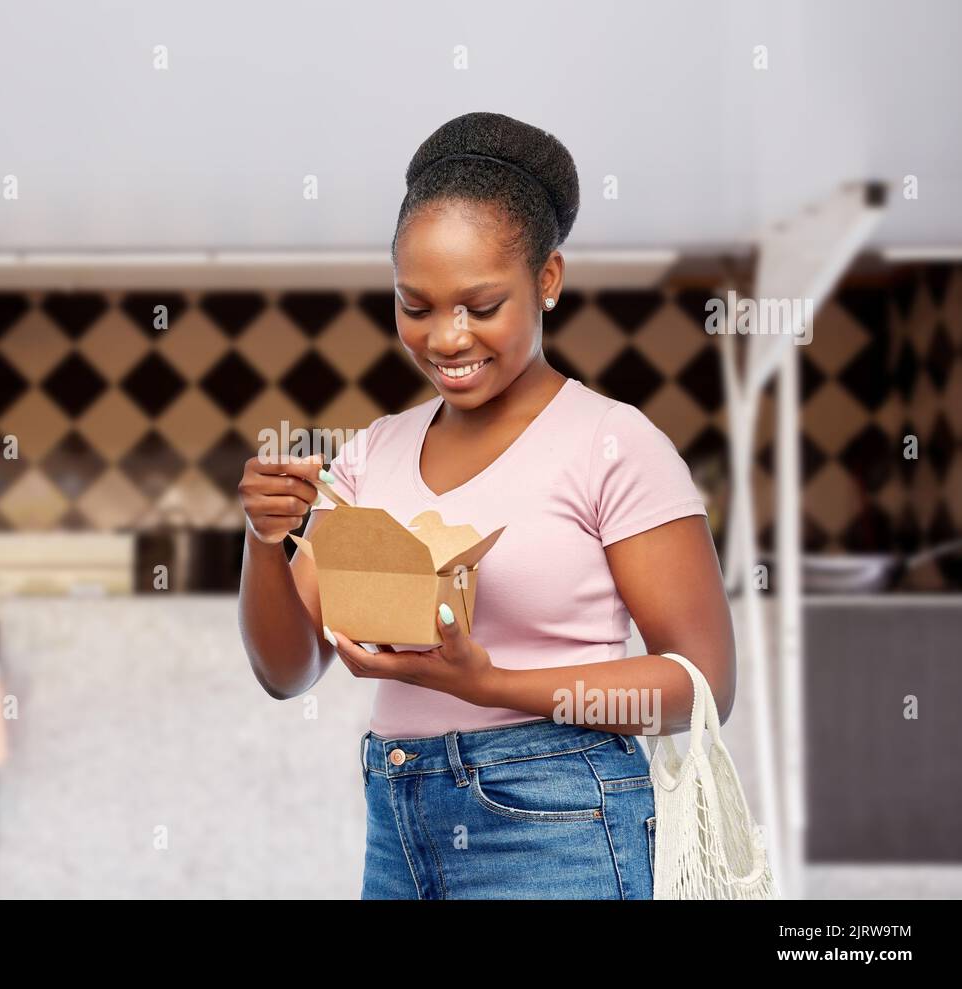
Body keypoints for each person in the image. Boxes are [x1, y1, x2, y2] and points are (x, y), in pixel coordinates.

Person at [237, 111, 735, 899]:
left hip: (561, 819)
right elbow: (288, 669)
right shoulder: (374, 453)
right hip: (399, 818)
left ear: (548, 280)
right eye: (416, 305)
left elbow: (701, 687)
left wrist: (486, 682)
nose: (446, 337)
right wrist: (266, 539)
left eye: (479, 303)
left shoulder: (613, 441)